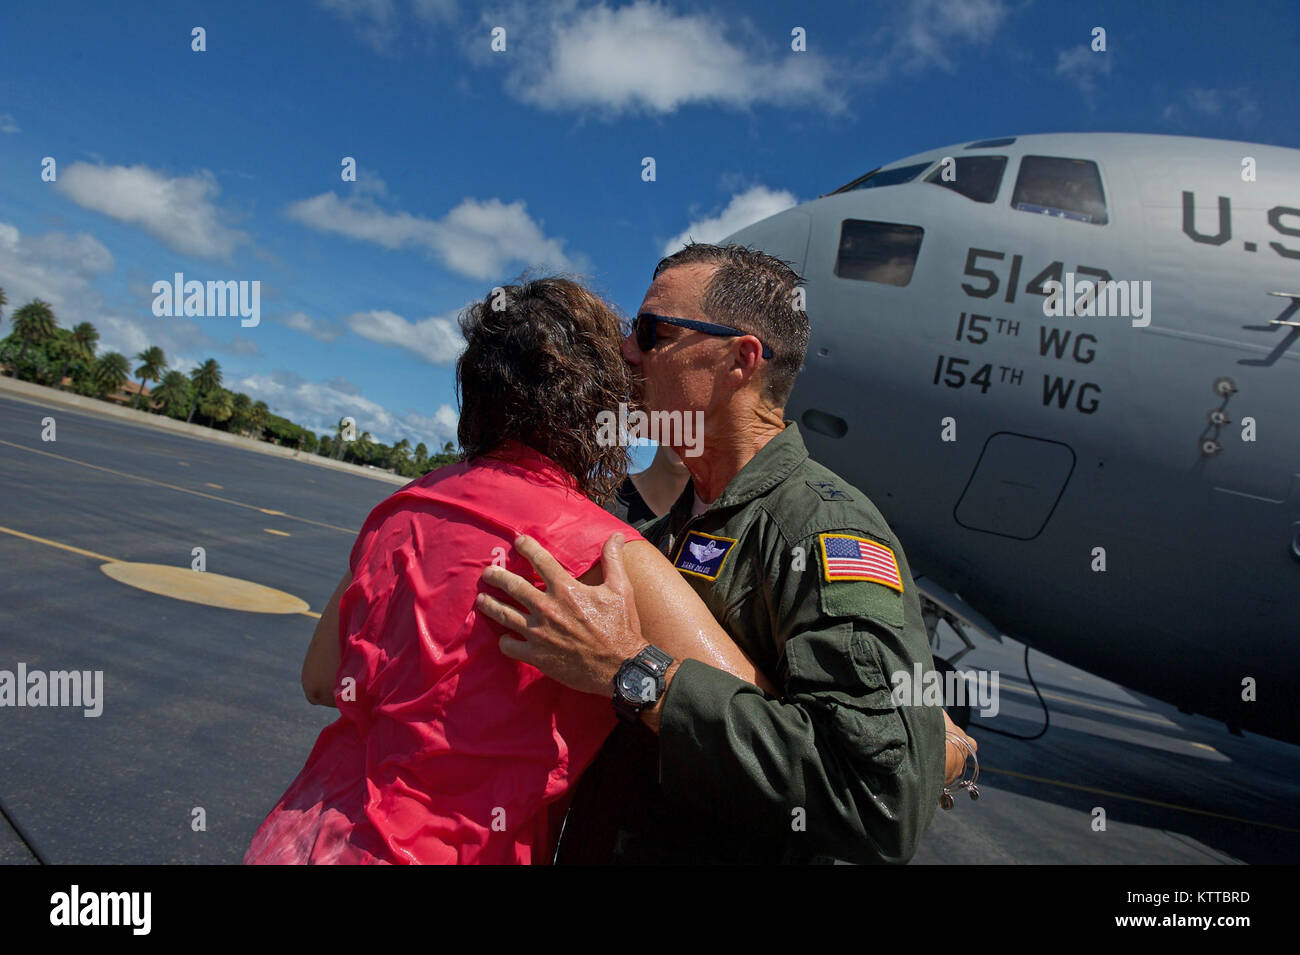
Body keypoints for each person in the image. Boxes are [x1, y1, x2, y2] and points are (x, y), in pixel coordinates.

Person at [243, 277, 771, 865]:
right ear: (597, 407)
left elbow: (320, 680)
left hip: (302, 840)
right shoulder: (611, 555)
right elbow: (754, 726)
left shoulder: (403, 508)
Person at [477, 244, 951, 864]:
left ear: (740, 360)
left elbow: (879, 800)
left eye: (652, 332)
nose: (626, 351)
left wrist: (634, 673)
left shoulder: (822, 532)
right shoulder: (658, 530)